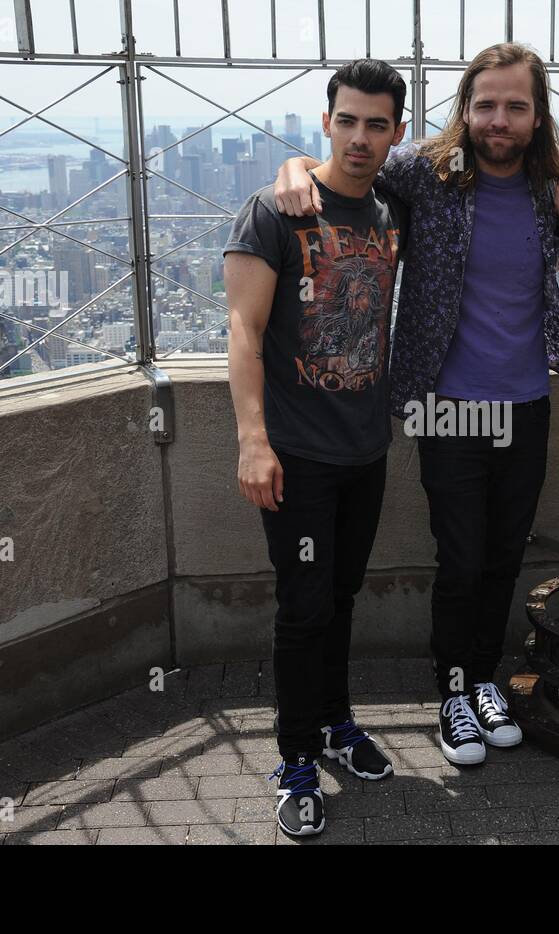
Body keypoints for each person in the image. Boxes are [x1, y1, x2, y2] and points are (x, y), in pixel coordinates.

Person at [273, 43, 559, 768]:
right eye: (485, 105)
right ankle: (452, 691)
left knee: (504, 556)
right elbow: (349, 162)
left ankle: (482, 679)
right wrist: (291, 169)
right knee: (461, 558)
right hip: (449, 406)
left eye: (515, 106)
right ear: (465, 109)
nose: (498, 119)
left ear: (537, 114)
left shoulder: (552, 186)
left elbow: (542, 270)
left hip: (527, 401)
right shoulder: (431, 170)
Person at [224, 59, 408, 837]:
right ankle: (296, 757)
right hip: (296, 455)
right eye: (346, 120)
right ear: (325, 120)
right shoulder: (273, 210)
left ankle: (336, 720)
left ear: (395, 132)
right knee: (303, 610)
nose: (359, 137)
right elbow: (243, 329)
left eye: (376, 124)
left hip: (366, 449)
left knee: (339, 598)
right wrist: (252, 443)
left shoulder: (393, 208)